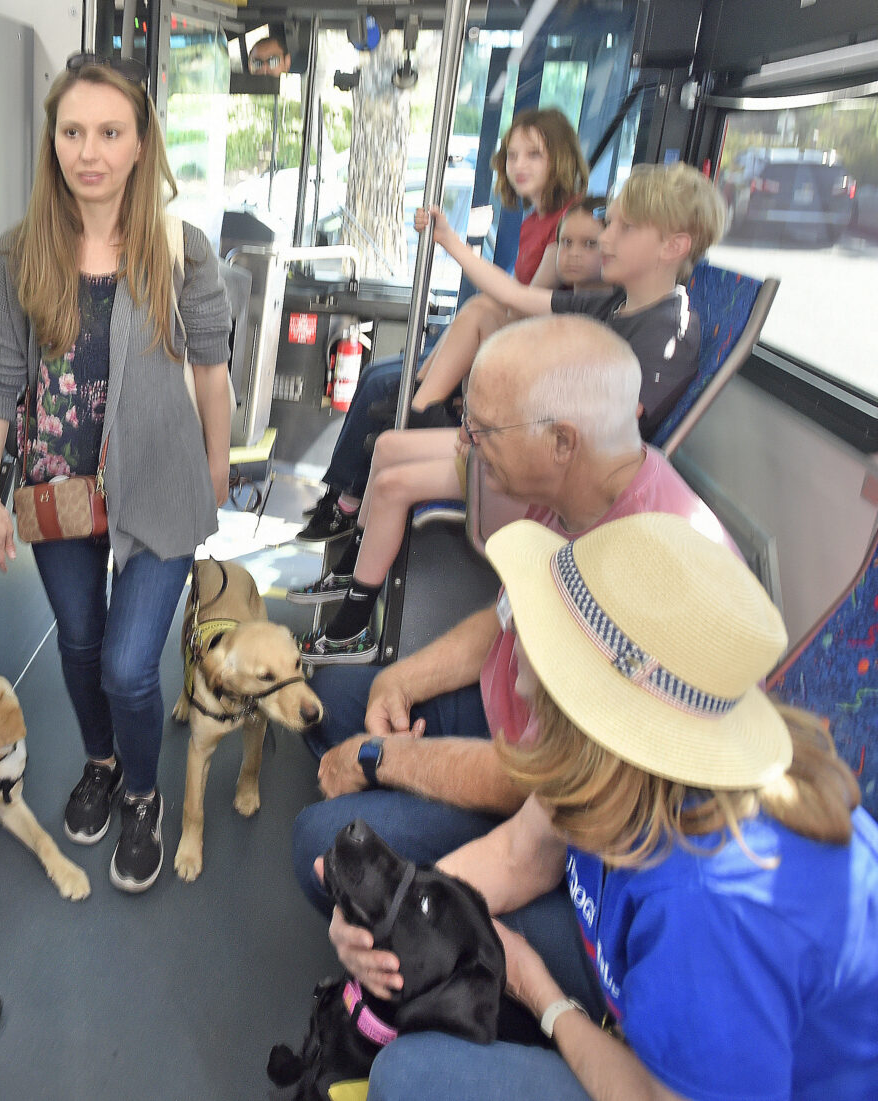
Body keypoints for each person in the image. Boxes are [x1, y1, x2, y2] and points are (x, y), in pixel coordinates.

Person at [329, 512, 878, 1099]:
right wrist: (393, 912)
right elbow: (520, 854)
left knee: (409, 1080)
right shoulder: (628, 765)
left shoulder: (712, 904)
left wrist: (543, 999)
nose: (519, 684)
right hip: (652, 985)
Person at [290, 314, 738, 914]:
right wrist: (400, 679)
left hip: (557, 813)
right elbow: (504, 618)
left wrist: (382, 760)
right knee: (334, 699)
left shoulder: (643, 573)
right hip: (508, 712)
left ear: (562, 441)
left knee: (319, 847)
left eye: (483, 431)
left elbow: (535, 778)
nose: (464, 444)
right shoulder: (569, 493)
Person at [0, 54, 232, 893]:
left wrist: (217, 467)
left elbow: (213, 368)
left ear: (140, 142)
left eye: (110, 132)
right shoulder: (18, 256)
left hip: (157, 482)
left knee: (128, 666)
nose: (90, 150)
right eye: (73, 131)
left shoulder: (180, 249)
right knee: (81, 649)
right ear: (52, 142)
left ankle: (145, 794)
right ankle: (102, 760)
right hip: (57, 489)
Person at [292, 199, 623, 663]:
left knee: (392, 481)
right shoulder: (587, 302)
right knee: (387, 445)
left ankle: (350, 627)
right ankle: (350, 570)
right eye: (564, 243)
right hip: (516, 436)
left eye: (591, 243)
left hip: (532, 460)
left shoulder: (606, 313)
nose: (573, 253)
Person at [298, 108, 589, 543]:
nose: (520, 166)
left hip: (531, 361)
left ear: (560, 158)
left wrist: (449, 241)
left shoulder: (566, 221)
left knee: (389, 385)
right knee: (381, 373)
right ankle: (344, 490)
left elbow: (522, 302)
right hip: (511, 340)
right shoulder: (534, 218)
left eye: (534, 155)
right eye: (512, 155)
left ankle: (354, 495)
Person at [421, 160, 721, 441]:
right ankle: (419, 411)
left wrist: (497, 421)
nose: (605, 239)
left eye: (624, 228)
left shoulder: (666, 331)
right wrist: (449, 239)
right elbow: (513, 294)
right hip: (539, 434)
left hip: (567, 460)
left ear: (673, 247)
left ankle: (420, 416)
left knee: (393, 469)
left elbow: (613, 419)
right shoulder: (614, 304)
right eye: (609, 223)